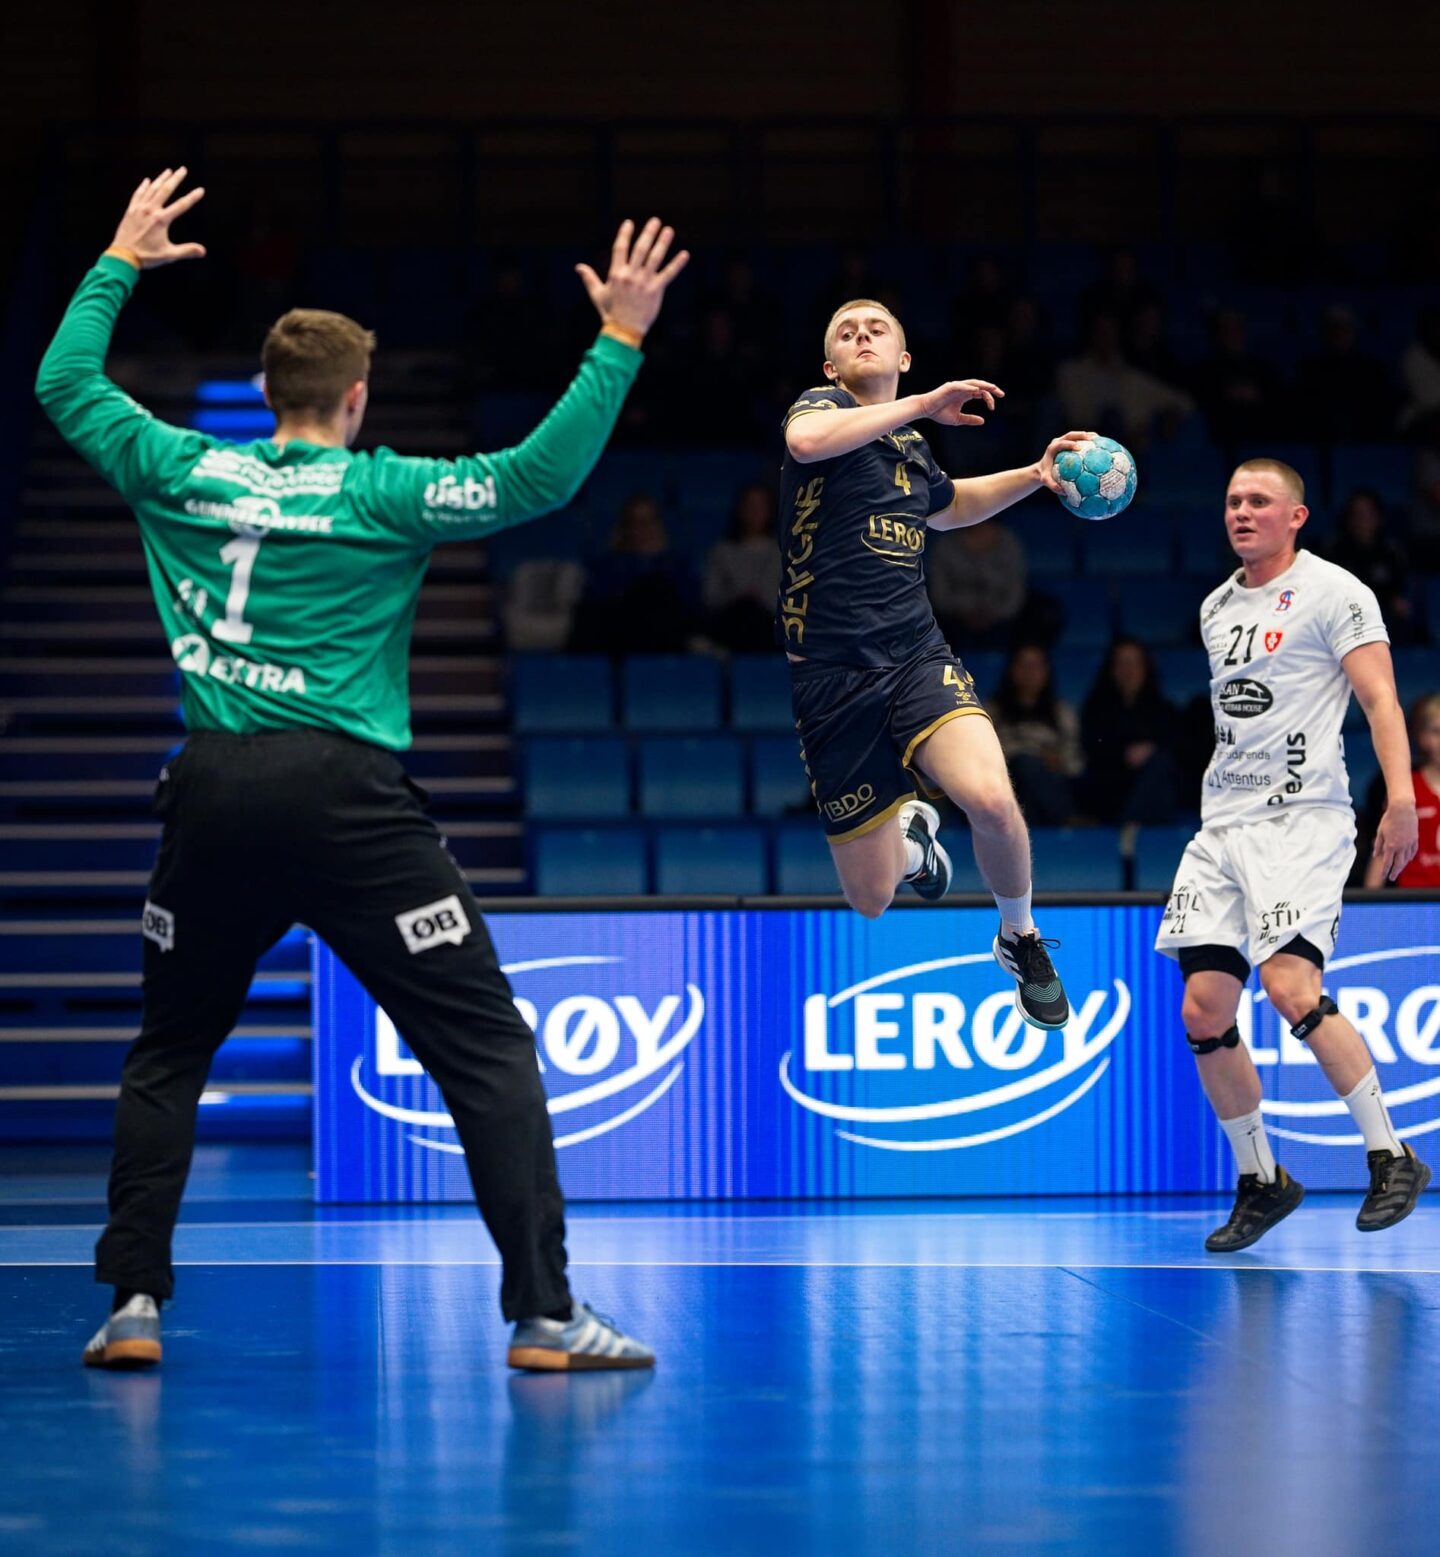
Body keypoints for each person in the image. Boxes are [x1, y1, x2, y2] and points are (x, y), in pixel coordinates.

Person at [36, 168, 688, 1374]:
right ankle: (545, 1318)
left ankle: (131, 1306)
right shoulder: (386, 489)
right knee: (485, 1049)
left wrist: (120, 258)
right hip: (347, 802)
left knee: (170, 1051)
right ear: (354, 396)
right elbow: (536, 475)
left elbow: (63, 382)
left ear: (270, 396)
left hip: (215, 786)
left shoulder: (174, 466)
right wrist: (619, 336)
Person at [779, 297, 1086, 1030]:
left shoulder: (911, 452)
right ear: (831, 365)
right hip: (831, 679)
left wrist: (1035, 475)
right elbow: (806, 443)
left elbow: (949, 506)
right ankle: (916, 849)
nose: (861, 336)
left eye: (876, 329)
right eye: (846, 333)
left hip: (916, 656)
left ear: (903, 355)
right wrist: (922, 404)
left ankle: (1019, 935)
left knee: (990, 797)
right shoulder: (821, 407)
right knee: (872, 898)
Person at [1155, 458, 1429, 1252]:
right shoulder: (1214, 607)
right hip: (1222, 828)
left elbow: (1379, 697)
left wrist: (1402, 796)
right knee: (1203, 1008)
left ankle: (1391, 1154)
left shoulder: (1336, 591)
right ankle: (1263, 1179)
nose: (1242, 512)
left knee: (1288, 984)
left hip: (1304, 821)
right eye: (1233, 500)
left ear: (1296, 516)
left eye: (1259, 501)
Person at [568, 491, 698, 654]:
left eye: (649, 521)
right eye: (636, 522)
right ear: (625, 527)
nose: (643, 529)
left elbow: (690, 606)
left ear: (658, 525)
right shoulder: (606, 566)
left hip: (667, 639)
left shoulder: (678, 565)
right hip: (620, 638)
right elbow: (597, 607)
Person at [1080, 637, 1180, 825]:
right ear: (1112, 669)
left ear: (1145, 668)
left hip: (1155, 796)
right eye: (1122, 663)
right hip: (1111, 793)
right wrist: (1124, 755)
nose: (1129, 671)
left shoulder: (1164, 710)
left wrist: (1151, 750)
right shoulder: (1095, 710)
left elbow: (1179, 749)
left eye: (1135, 663)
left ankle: (1131, 827)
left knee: (1161, 765)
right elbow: (1092, 752)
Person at [987, 643, 1083, 826]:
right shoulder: (993, 711)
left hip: (1053, 782)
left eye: (1036, 666)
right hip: (1007, 784)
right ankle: (1067, 820)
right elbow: (982, 756)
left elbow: (1076, 764)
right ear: (1012, 670)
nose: (1030, 672)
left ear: (1047, 672)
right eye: (1024, 665)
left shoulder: (1061, 713)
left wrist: (1059, 760)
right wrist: (1033, 754)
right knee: (1026, 764)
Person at [1364, 694, 1440, 889]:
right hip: (1414, 903)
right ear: (1422, 737)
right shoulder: (1404, 788)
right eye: (1437, 732)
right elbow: (1384, 849)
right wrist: (1368, 904)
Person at [924, 512, 1028, 651]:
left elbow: (1015, 592)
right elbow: (939, 594)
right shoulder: (945, 545)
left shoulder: (1008, 542)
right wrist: (965, 611)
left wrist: (993, 613)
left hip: (1001, 619)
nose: (980, 533)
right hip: (954, 618)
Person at [702, 482, 781, 653]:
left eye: (760, 506)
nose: (755, 512)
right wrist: (739, 598)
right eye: (750, 505)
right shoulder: (721, 552)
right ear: (740, 509)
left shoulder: (782, 552)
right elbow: (711, 598)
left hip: (769, 625)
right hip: (732, 622)